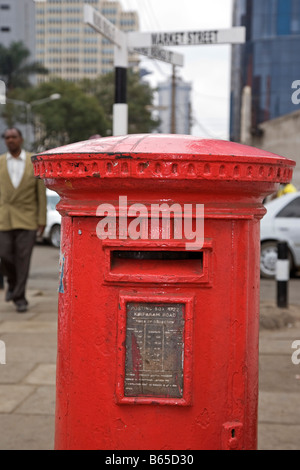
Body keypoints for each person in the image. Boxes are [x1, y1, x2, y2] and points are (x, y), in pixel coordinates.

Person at [0, 128, 47, 313]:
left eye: (14, 137)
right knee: (4, 255)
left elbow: (41, 194)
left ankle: (20, 298)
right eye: (7, 137)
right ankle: (12, 283)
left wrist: (41, 220)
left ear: (21, 139)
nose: (10, 140)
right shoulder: (0, 162)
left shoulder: (33, 161)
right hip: (4, 218)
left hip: (28, 219)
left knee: (23, 260)